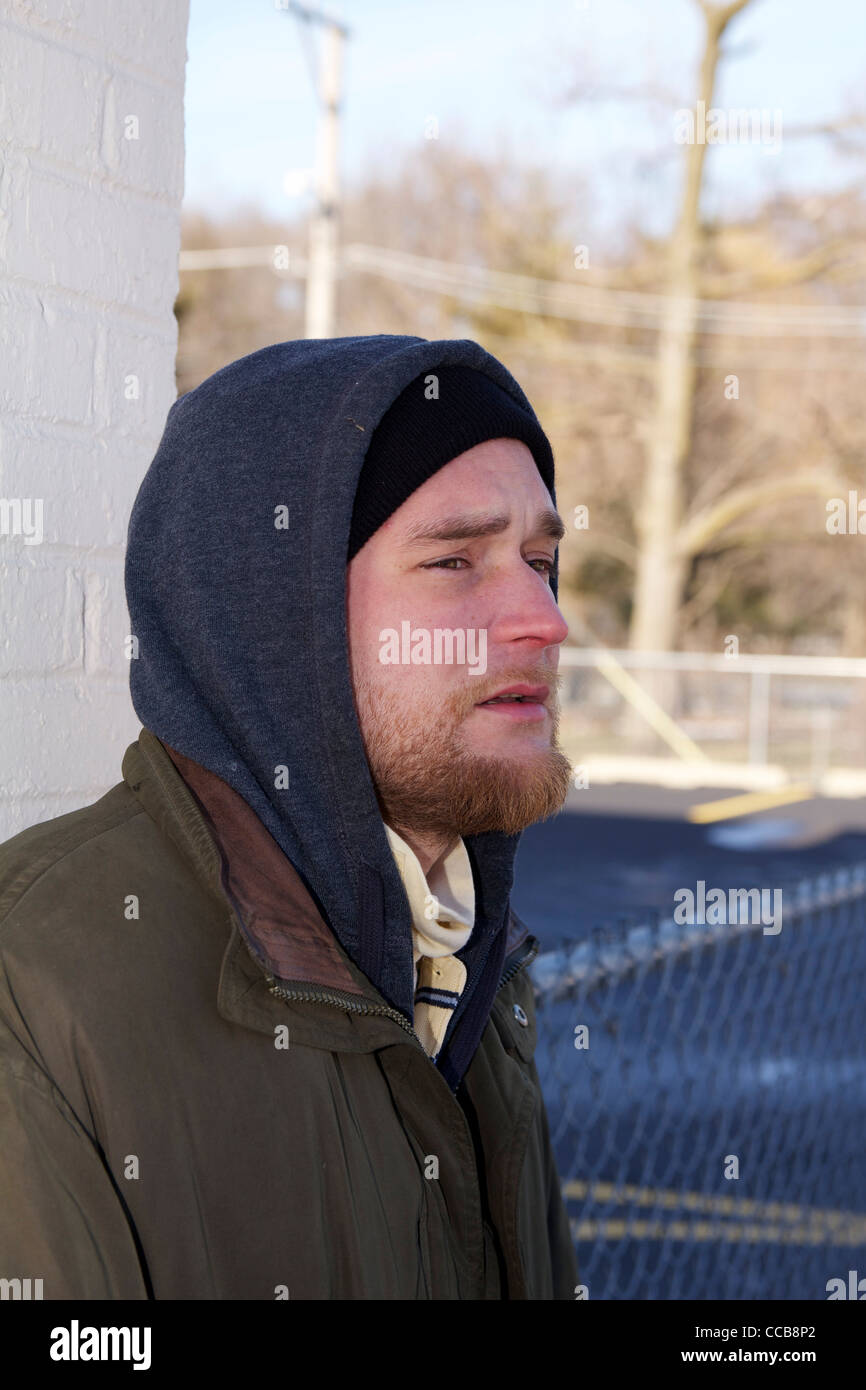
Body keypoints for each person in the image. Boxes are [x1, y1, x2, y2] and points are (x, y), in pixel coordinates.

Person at [0, 334, 578, 1299]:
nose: (543, 617)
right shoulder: (34, 986)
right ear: (273, 617)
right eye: (453, 562)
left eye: (540, 558)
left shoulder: (463, 944)